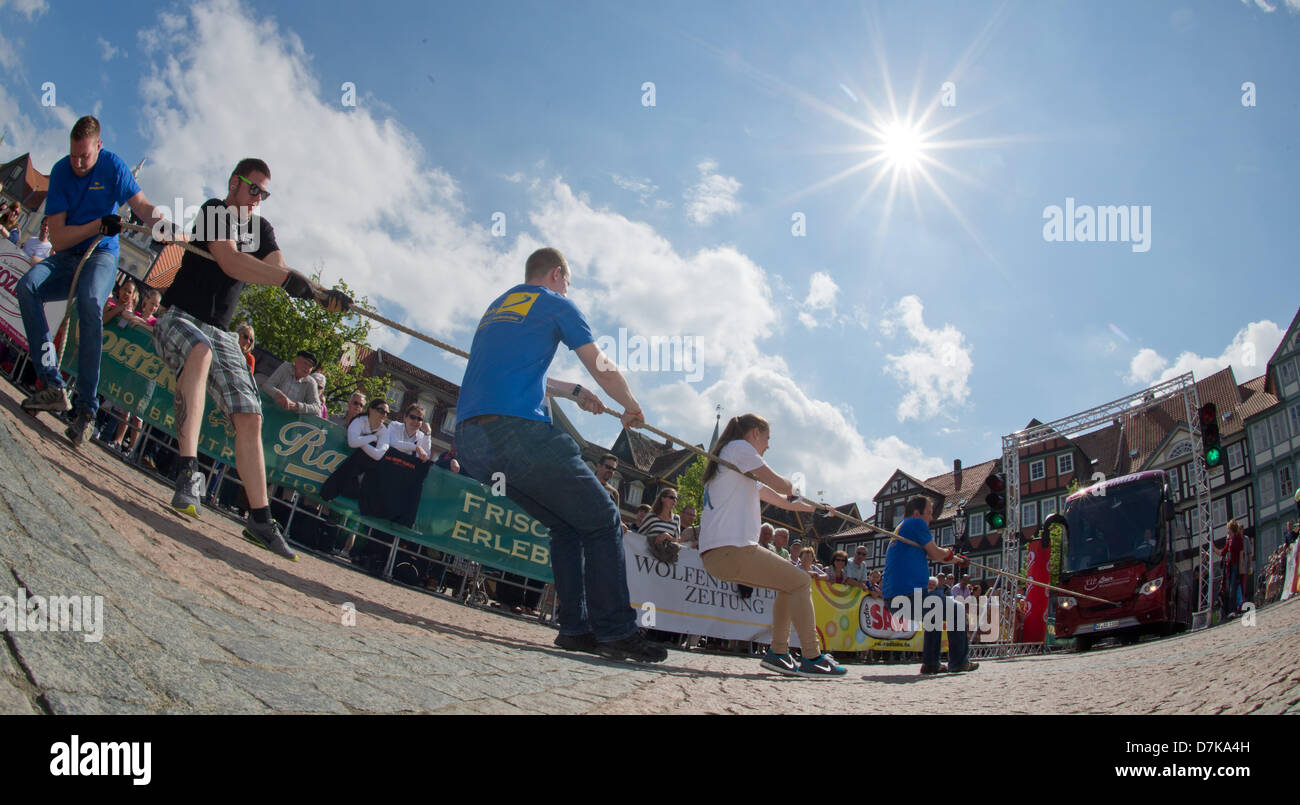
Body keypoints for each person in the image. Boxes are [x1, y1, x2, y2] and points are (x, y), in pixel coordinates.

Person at [453, 247, 665, 662]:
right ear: (556, 274)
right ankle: (616, 631)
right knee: (604, 516)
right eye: (568, 280)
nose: (568, 288)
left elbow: (521, 371)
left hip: (472, 439)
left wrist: (574, 392)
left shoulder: (499, 306)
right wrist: (631, 406)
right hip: (517, 432)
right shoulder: (555, 303)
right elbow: (599, 364)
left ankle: (574, 628)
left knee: (568, 525)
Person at [151, 156, 349, 561]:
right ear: (234, 183)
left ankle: (259, 518)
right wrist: (284, 279)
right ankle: (188, 472)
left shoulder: (260, 229)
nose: (258, 197)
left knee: (251, 413)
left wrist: (319, 293)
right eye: (252, 187)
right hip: (180, 318)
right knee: (200, 352)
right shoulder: (214, 210)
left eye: (264, 191)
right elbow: (229, 259)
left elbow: (278, 267)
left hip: (221, 332)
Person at [17, 116, 171, 446]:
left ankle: (86, 410)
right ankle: (52, 384)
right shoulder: (60, 172)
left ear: (98, 147)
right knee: (27, 286)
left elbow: (142, 207)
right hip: (68, 255)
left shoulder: (113, 166)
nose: (78, 163)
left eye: (84, 156)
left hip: (101, 256)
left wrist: (165, 225)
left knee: (90, 302)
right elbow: (57, 240)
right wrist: (98, 224)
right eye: (73, 155)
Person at [697, 412, 845, 678]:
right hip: (733, 550)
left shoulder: (736, 466)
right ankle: (812, 656)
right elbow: (780, 484)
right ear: (754, 433)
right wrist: (792, 485)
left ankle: (779, 653)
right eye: (767, 438)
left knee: (789, 584)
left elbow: (783, 501)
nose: (768, 446)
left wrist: (819, 509)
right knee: (800, 581)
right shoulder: (739, 449)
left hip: (720, 554)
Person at [882, 496, 977, 675]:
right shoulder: (916, 524)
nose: (931, 519)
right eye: (929, 513)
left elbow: (930, 553)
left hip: (893, 599)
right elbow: (935, 553)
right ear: (917, 513)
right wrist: (951, 555)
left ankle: (931, 664)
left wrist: (954, 558)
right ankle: (959, 662)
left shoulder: (901, 528)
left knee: (933, 614)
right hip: (908, 596)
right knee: (956, 609)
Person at [322, 398, 389, 502]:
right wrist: (372, 438)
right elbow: (352, 442)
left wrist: (361, 441)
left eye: (386, 413)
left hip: (361, 471)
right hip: (337, 459)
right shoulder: (359, 420)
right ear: (371, 409)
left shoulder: (384, 431)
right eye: (381, 410)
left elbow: (378, 455)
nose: (384, 415)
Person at [262, 349, 321, 415]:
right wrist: (278, 394)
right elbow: (266, 386)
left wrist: (297, 406)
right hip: (270, 410)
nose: (307, 368)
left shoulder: (311, 382)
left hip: (291, 421)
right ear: (295, 360)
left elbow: (317, 408)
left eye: (310, 366)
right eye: (305, 363)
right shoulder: (286, 367)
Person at [1217, 519, 1245, 619]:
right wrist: (1213, 548)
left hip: (1236, 565)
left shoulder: (1238, 539)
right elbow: (1222, 552)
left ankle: (1233, 610)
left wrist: (1241, 567)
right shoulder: (1230, 540)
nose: (1227, 530)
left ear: (1231, 528)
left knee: (1233, 588)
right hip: (1230, 567)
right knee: (1230, 588)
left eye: (1228, 528)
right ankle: (1232, 610)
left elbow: (1241, 554)